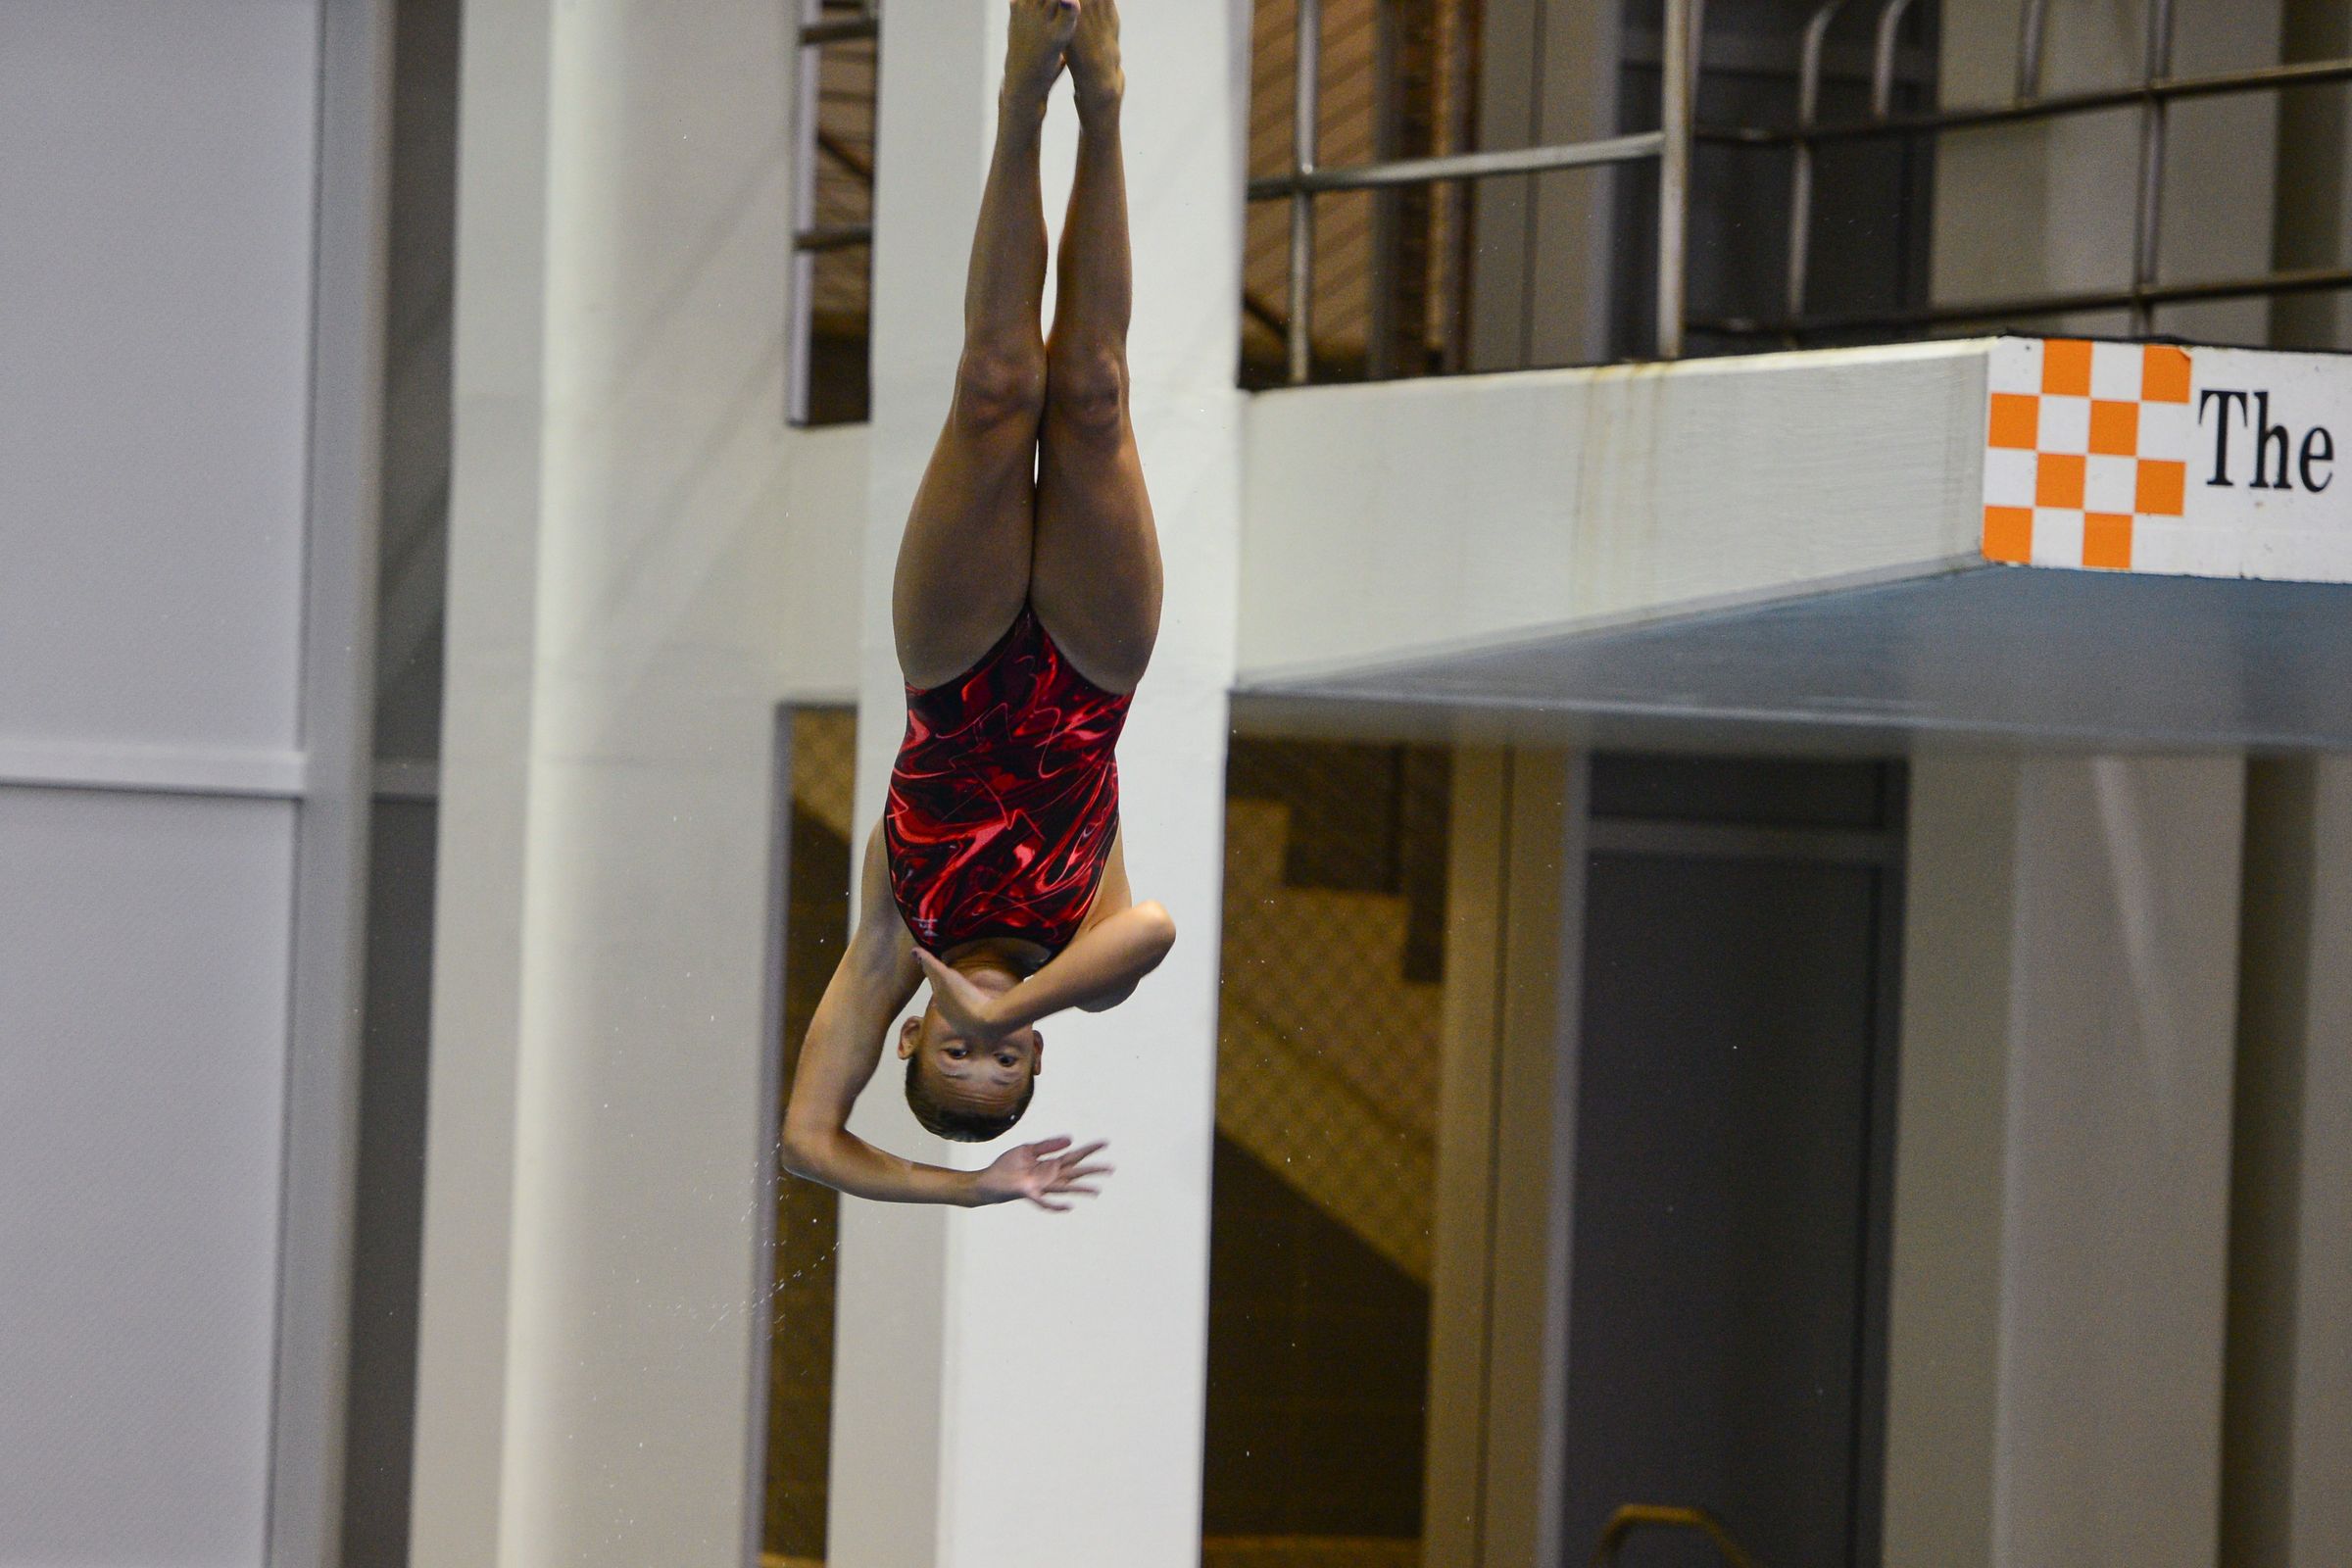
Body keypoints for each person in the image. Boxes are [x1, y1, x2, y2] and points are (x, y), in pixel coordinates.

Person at [781, 0, 1170, 1213]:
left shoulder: (893, 948)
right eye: (1005, 1062)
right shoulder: (1082, 969)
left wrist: (968, 1188)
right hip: (1088, 672)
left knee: (998, 386)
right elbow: (1151, 924)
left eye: (959, 1052)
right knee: (1094, 391)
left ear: (907, 1039)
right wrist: (1018, 997)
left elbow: (806, 1141)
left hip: (951, 668)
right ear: (1039, 1052)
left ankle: (1018, 114)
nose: (983, 1042)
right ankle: (1101, 109)